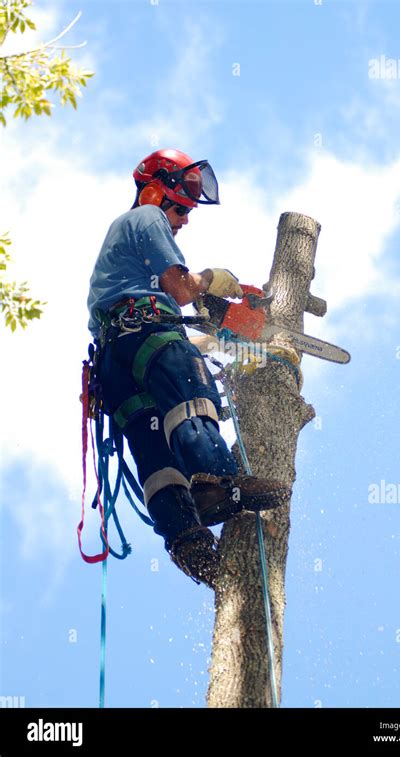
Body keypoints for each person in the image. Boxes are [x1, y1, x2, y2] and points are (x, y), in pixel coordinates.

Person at [87, 148, 287, 589]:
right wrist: (209, 279)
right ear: (156, 193)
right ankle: (216, 479)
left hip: (115, 360)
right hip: (149, 333)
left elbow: (154, 330)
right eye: (180, 208)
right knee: (191, 393)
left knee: (153, 444)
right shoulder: (145, 218)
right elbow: (178, 290)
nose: (185, 219)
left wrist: (219, 339)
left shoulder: (121, 267)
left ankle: (186, 539)